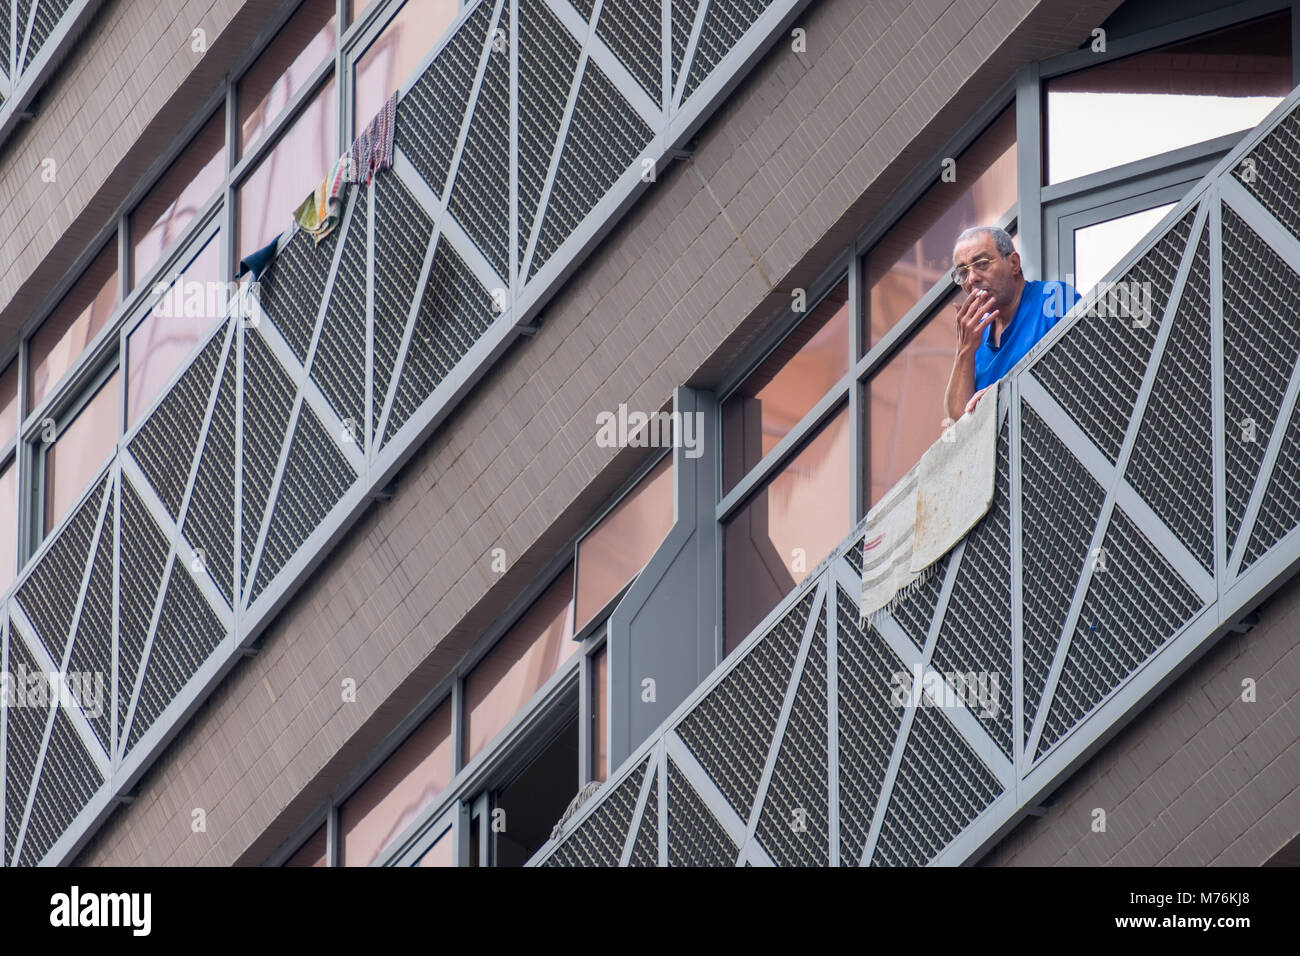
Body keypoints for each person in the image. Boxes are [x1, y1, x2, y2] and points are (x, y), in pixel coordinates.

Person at [943, 226, 1079, 424]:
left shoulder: (1054, 298)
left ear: (1014, 263)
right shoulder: (975, 336)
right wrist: (964, 350)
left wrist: (1004, 394)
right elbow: (959, 421)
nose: (972, 279)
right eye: (963, 273)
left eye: (981, 264)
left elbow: (1082, 371)